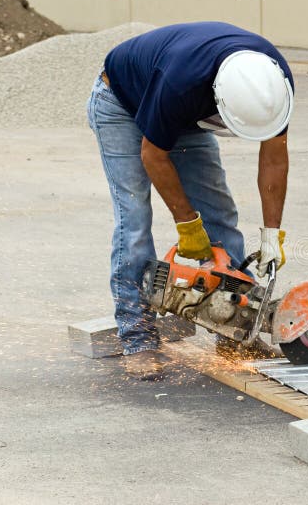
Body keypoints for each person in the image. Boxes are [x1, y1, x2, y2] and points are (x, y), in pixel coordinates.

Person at [87, 21, 293, 380]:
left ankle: (233, 332)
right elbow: (153, 155)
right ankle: (138, 336)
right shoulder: (180, 81)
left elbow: (274, 156)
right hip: (120, 102)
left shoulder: (273, 83)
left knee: (220, 213)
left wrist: (271, 234)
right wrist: (187, 225)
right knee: (133, 218)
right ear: (220, 101)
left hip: (185, 114)